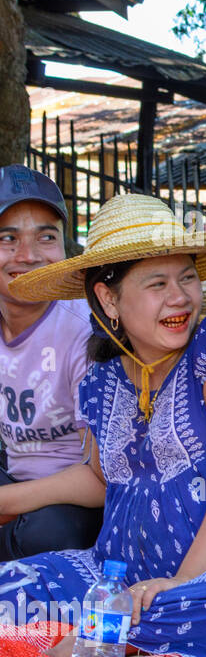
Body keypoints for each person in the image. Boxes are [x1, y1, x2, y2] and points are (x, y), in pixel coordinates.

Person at [0, 194, 206, 657]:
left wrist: (182, 583)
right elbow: (99, 479)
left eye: (188, 277)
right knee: (12, 591)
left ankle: (97, 643)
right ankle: (119, 640)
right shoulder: (102, 379)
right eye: (158, 283)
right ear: (108, 298)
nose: (180, 298)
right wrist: (7, 500)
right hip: (122, 579)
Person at [0, 166, 101, 558]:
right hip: (12, 480)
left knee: (52, 537)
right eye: (8, 239)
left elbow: (102, 481)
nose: (28, 256)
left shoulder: (84, 332)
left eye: (46, 237)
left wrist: (7, 502)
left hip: (71, 502)